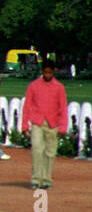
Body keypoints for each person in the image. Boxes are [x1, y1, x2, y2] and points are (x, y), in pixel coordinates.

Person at [21, 58, 67, 190]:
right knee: (36, 149)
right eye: (45, 72)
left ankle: (46, 179)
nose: (47, 75)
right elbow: (27, 105)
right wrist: (24, 124)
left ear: (53, 72)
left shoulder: (59, 87)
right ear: (42, 72)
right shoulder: (34, 86)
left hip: (53, 122)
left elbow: (63, 107)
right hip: (38, 121)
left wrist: (63, 126)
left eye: (49, 73)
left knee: (50, 152)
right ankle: (36, 178)